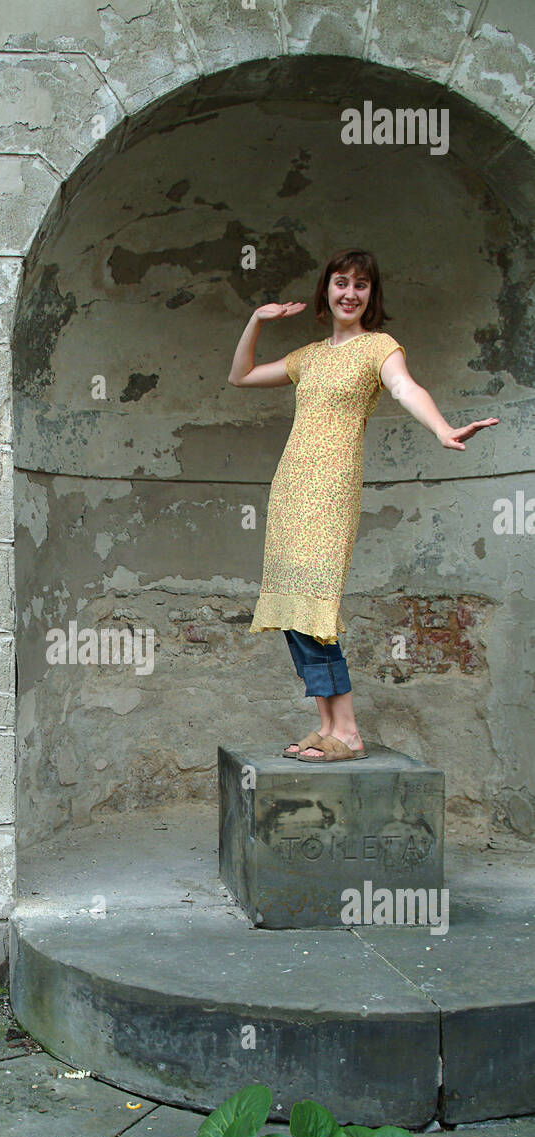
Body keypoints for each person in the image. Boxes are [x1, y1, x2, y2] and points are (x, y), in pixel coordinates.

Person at [227, 248, 498, 761]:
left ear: (371, 296)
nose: (350, 293)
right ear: (326, 291)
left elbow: (405, 387)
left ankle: (348, 730)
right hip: (290, 490)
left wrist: (442, 428)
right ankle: (327, 724)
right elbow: (240, 376)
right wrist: (255, 321)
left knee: (316, 607)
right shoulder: (308, 357)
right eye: (341, 283)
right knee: (292, 609)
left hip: (331, 492)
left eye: (361, 285)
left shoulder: (379, 348)